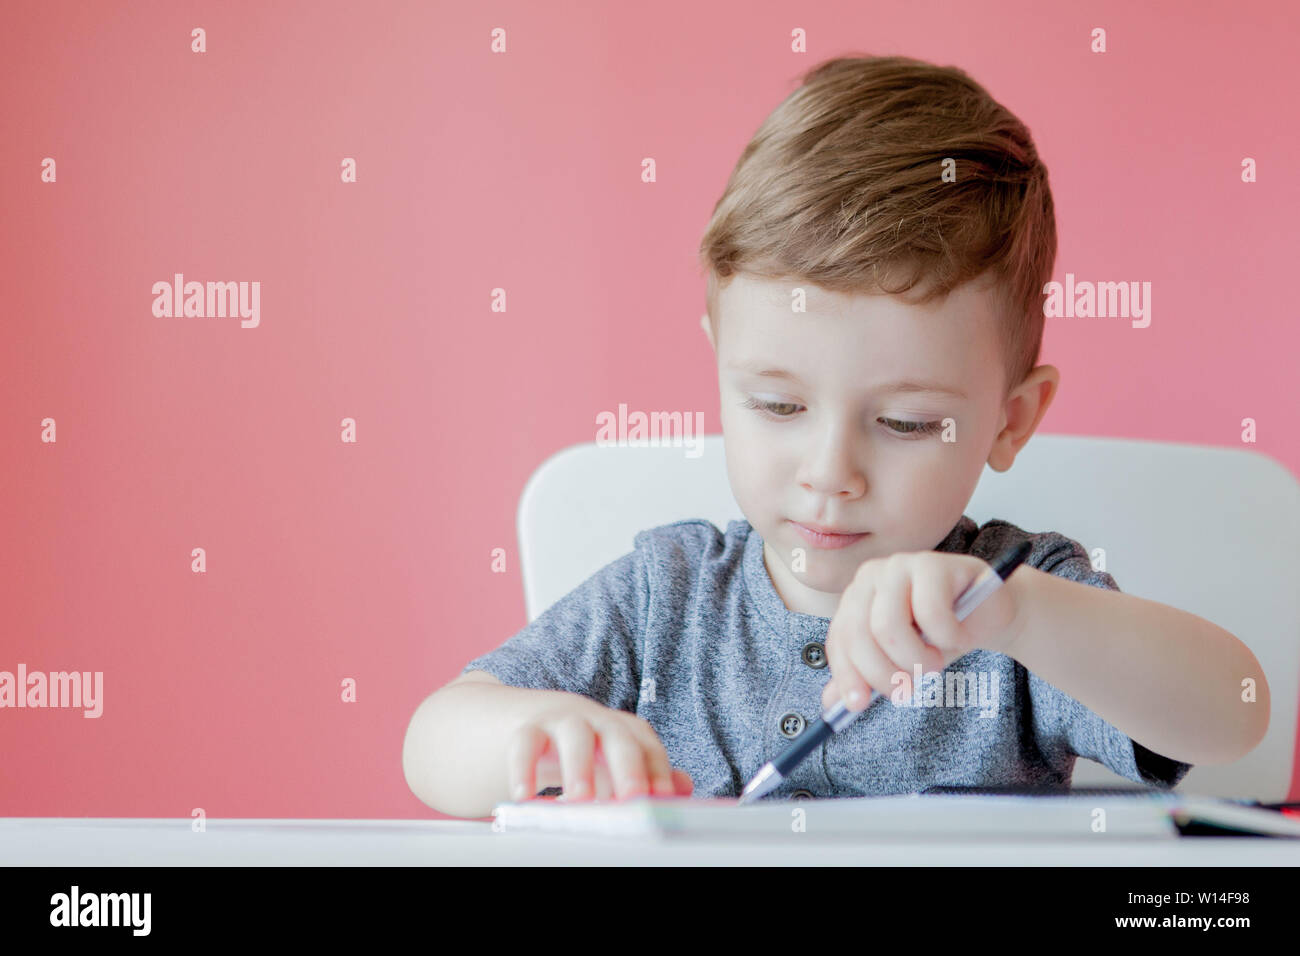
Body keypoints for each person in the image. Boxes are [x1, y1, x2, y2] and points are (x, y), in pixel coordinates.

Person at [402, 54, 1269, 819]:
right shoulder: (664, 600)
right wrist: (543, 730)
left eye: (905, 423)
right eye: (777, 407)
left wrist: (1022, 618)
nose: (831, 474)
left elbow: (1234, 712)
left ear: (1010, 421)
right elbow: (434, 742)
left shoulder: (1016, 609)